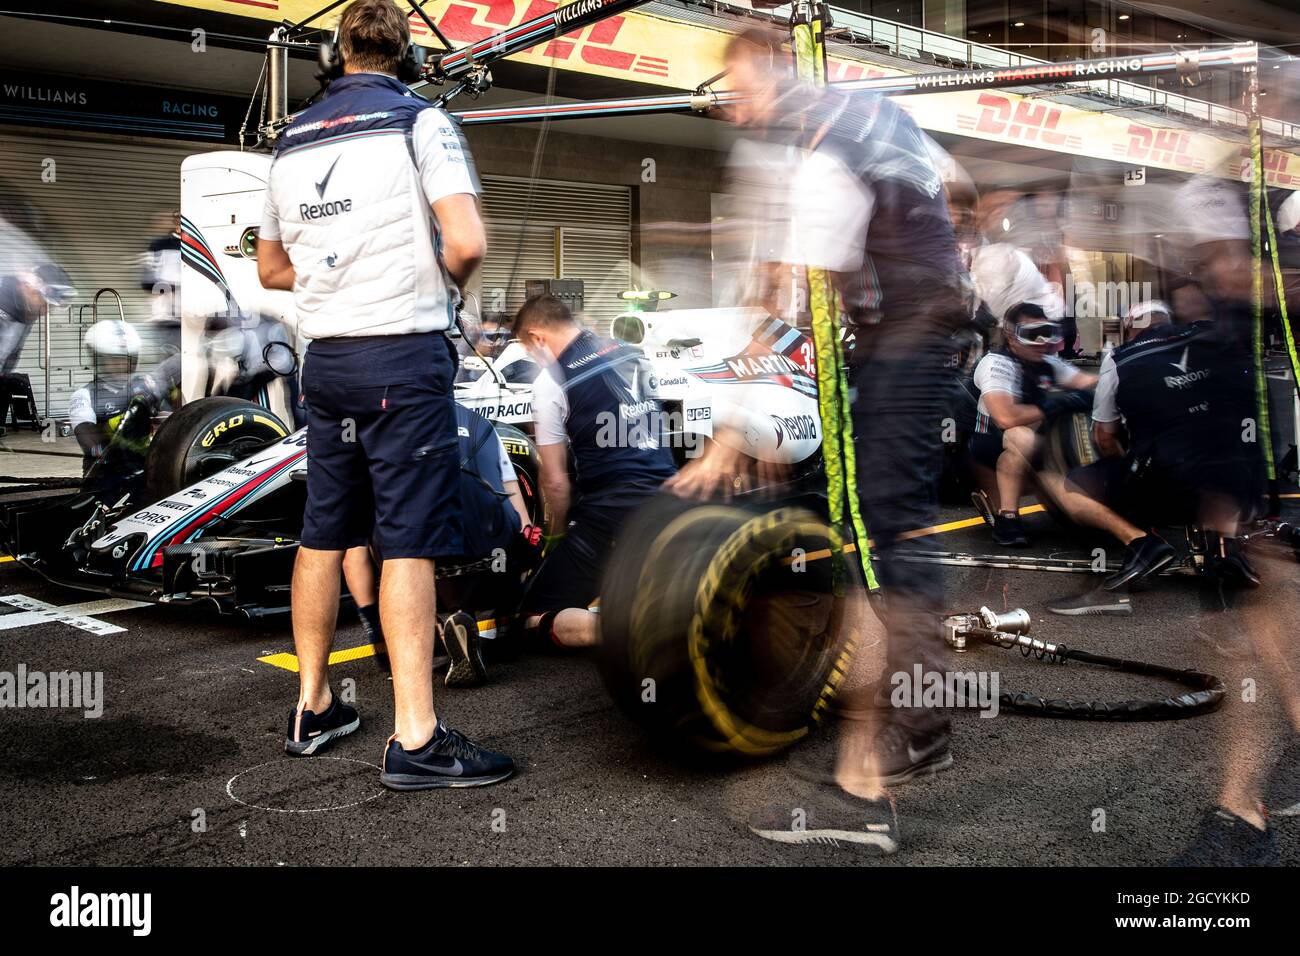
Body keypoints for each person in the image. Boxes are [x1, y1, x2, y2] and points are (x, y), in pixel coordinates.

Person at [683, 27, 964, 853]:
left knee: (890, 531)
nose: (736, 104)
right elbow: (953, 181)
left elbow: (807, 302)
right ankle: (905, 719)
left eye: (742, 86)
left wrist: (737, 416)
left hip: (904, 342)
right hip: (924, 325)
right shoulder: (872, 115)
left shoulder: (821, 151)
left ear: (777, 74)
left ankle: (912, 731)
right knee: (889, 525)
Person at [257, 0, 512, 790]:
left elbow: (271, 271)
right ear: (405, 55)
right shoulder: (421, 122)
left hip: (325, 363)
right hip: (401, 357)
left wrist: (337, 275)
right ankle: (416, 737)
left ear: (338, 55)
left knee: (323, 530)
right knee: (407, 539)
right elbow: (466, 241)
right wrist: (433, 282)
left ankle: (314, 705)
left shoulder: (289, 142)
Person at [513, 294, 676, 649]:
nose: (532, 358)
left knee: (531, 616)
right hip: (670, 499)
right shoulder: (633, 352)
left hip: (613, 512)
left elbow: (555, 483)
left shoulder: (551, 381)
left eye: (528, 349)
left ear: (537, 337)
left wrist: (554, 539)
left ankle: (632, 629)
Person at [349, 403, 539, 688]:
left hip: (425, 571)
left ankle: (411, 634)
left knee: (360, 538)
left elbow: (358, 532)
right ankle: (504, 624)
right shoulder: (481, 423)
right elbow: (518, 510)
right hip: (493, 568)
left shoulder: (384, 425)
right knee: (513, 529)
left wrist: (376, 631)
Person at [68, 319, 160, 474]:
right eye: (113, 359)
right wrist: (120, 424)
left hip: (147, 471)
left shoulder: (148, 386)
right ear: (98, 359)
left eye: (126, 360)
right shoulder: (84, 395)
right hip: (105, 475)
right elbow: (90, 444)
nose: (121, 366)